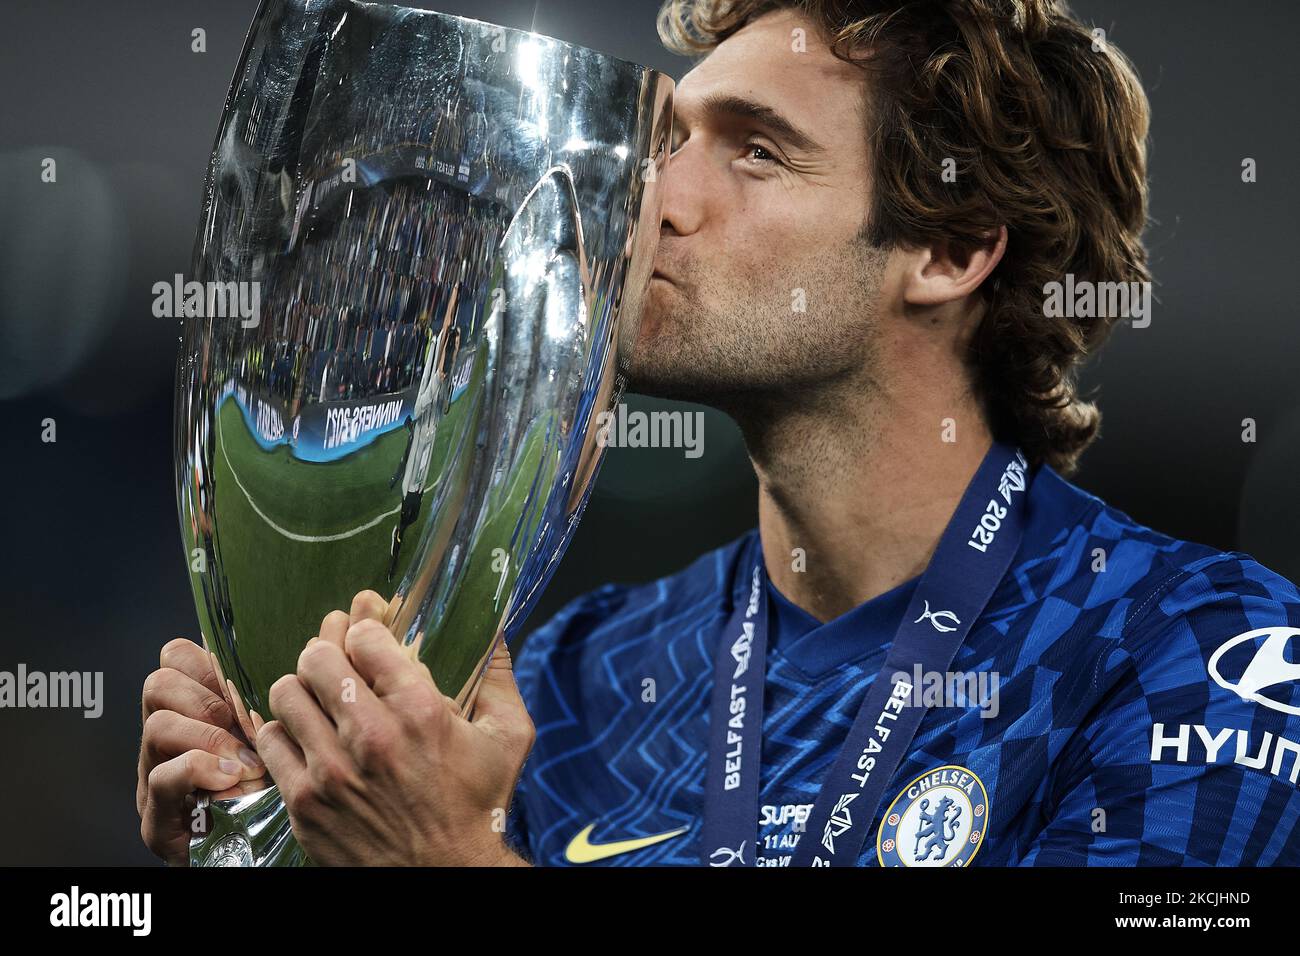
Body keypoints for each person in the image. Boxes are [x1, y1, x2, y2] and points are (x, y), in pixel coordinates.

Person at [138, 0, 1300, 867]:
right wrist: (274, 835)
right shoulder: (570, 684)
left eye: (754, 150)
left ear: (948, 252)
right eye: (670, 139)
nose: (655, 198)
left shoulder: (1195, 654)